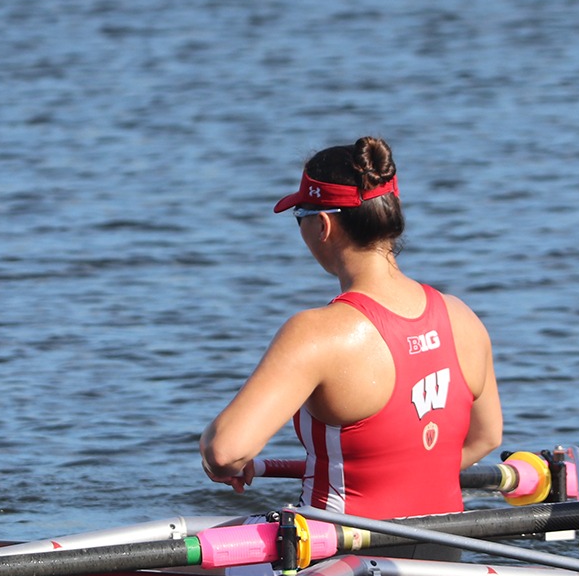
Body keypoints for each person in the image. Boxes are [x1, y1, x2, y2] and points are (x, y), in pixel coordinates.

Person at [199, 136, 502, 519]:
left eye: (300, 216)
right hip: (445, 546)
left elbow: (225, 451)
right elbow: (486, 437)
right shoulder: (462, 318)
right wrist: (397, 473)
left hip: (338, 549)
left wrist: (211, 449)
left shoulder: (316, 334)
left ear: (323, 225)